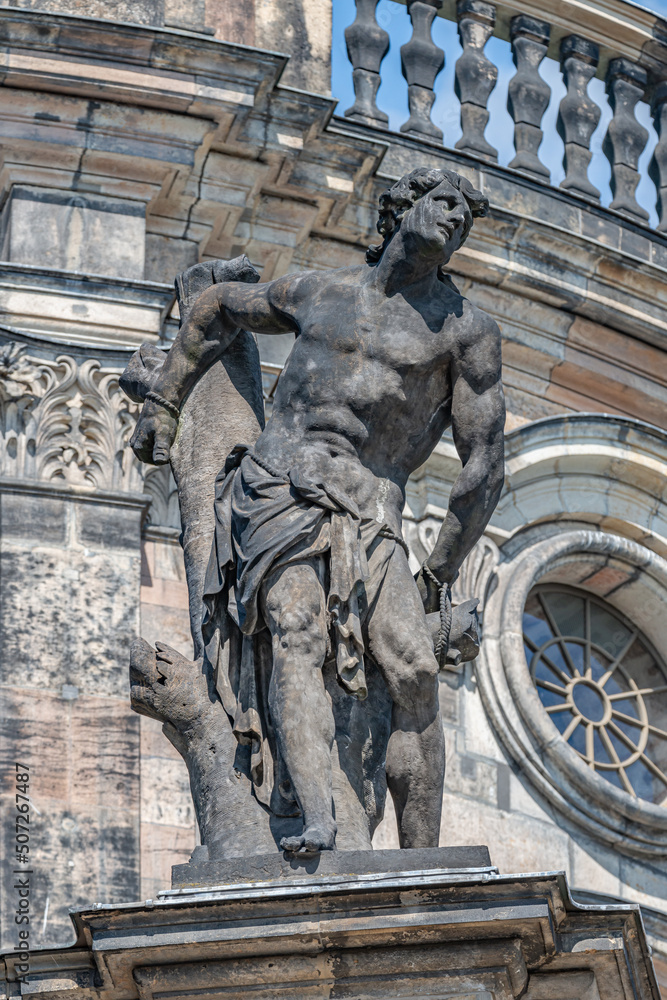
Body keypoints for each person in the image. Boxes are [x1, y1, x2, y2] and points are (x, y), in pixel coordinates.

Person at [130, 167, 505, 854]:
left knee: (415, 670)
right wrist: (165, 398)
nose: (455, 219)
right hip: (280, 481)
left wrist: (441, 569)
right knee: (295, 636)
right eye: (444, 203)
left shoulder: (463, 332)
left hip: (369, 501)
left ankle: (424, 859)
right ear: (402, 208)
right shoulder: (318, 290)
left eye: (466, 217)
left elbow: (483, 464)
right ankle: (316, 817)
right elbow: (216, 305)